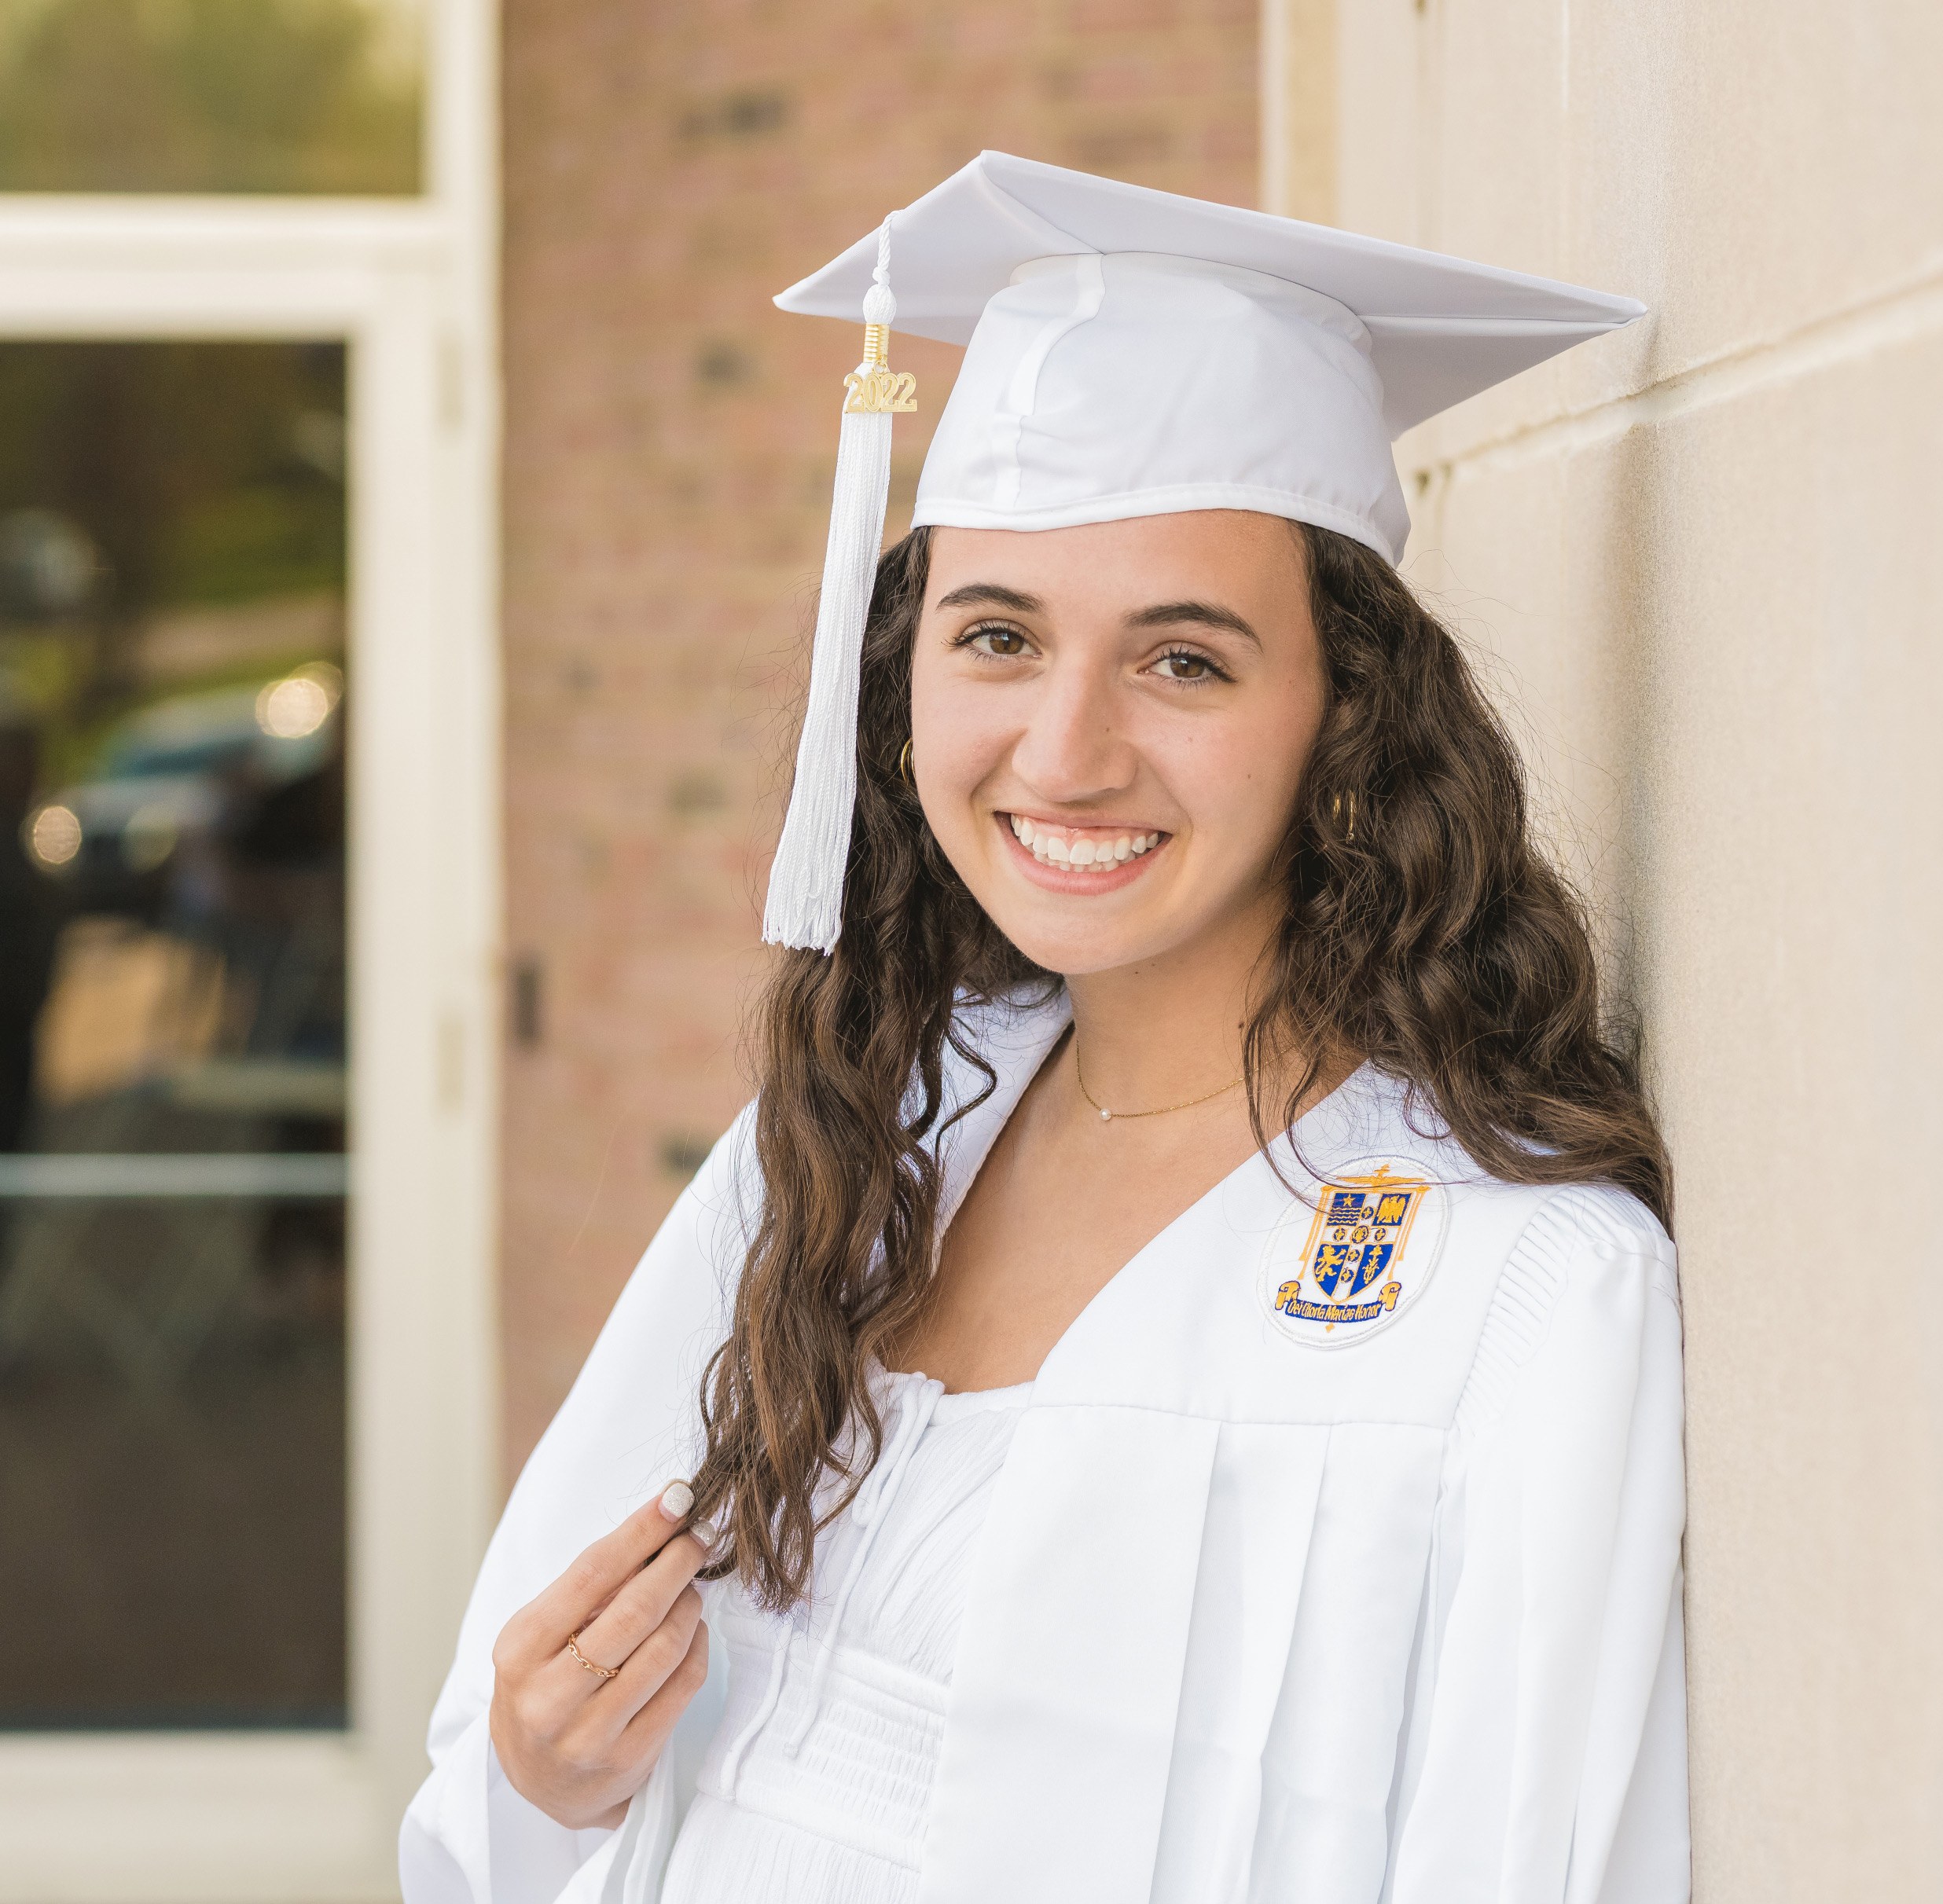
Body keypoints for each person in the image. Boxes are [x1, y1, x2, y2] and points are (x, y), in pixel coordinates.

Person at [400, 153, 1683, 1904]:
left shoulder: (1515, 1284)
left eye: (1185, 661)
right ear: (906, 676)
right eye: (996, 636)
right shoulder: (854, 1149)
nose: (1067, 753)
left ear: (1349, 719)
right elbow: (499, 1787)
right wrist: (547, 1776)